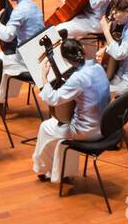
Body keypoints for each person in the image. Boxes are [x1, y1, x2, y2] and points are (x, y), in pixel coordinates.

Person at [31, 38, 111, 182]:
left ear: (67, 60)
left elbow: (52, 98)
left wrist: (44, 76)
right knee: (61, 127)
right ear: (83, 51)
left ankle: (43, 169)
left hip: (87, 132)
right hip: (106, 126)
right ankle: (63, 171)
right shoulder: (98, 67)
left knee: (45, 127)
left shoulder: (78, 78)